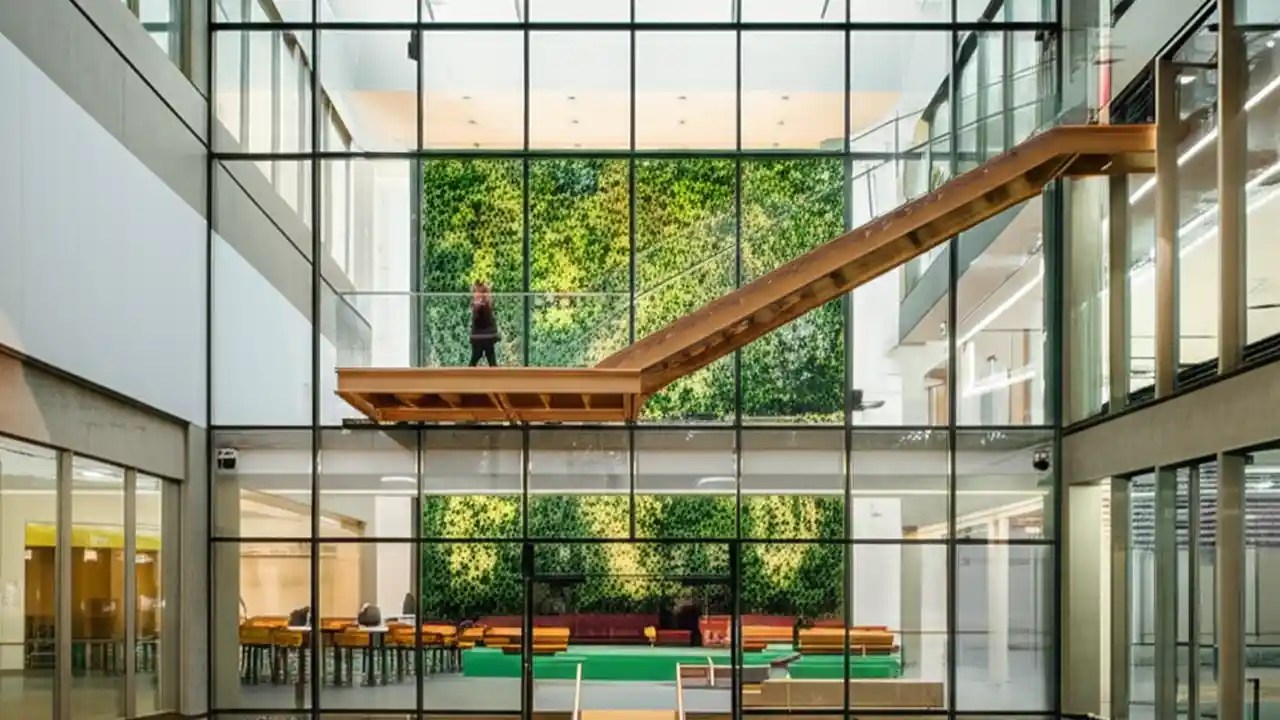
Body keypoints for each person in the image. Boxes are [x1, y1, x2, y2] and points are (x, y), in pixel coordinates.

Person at [469, 282, 499, 367]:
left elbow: (486, 319)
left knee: (488, 358)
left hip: (484, 336)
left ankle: (468, 376)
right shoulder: (480, 304)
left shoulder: (485, 304)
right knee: (482, 357)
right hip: (482, 336)